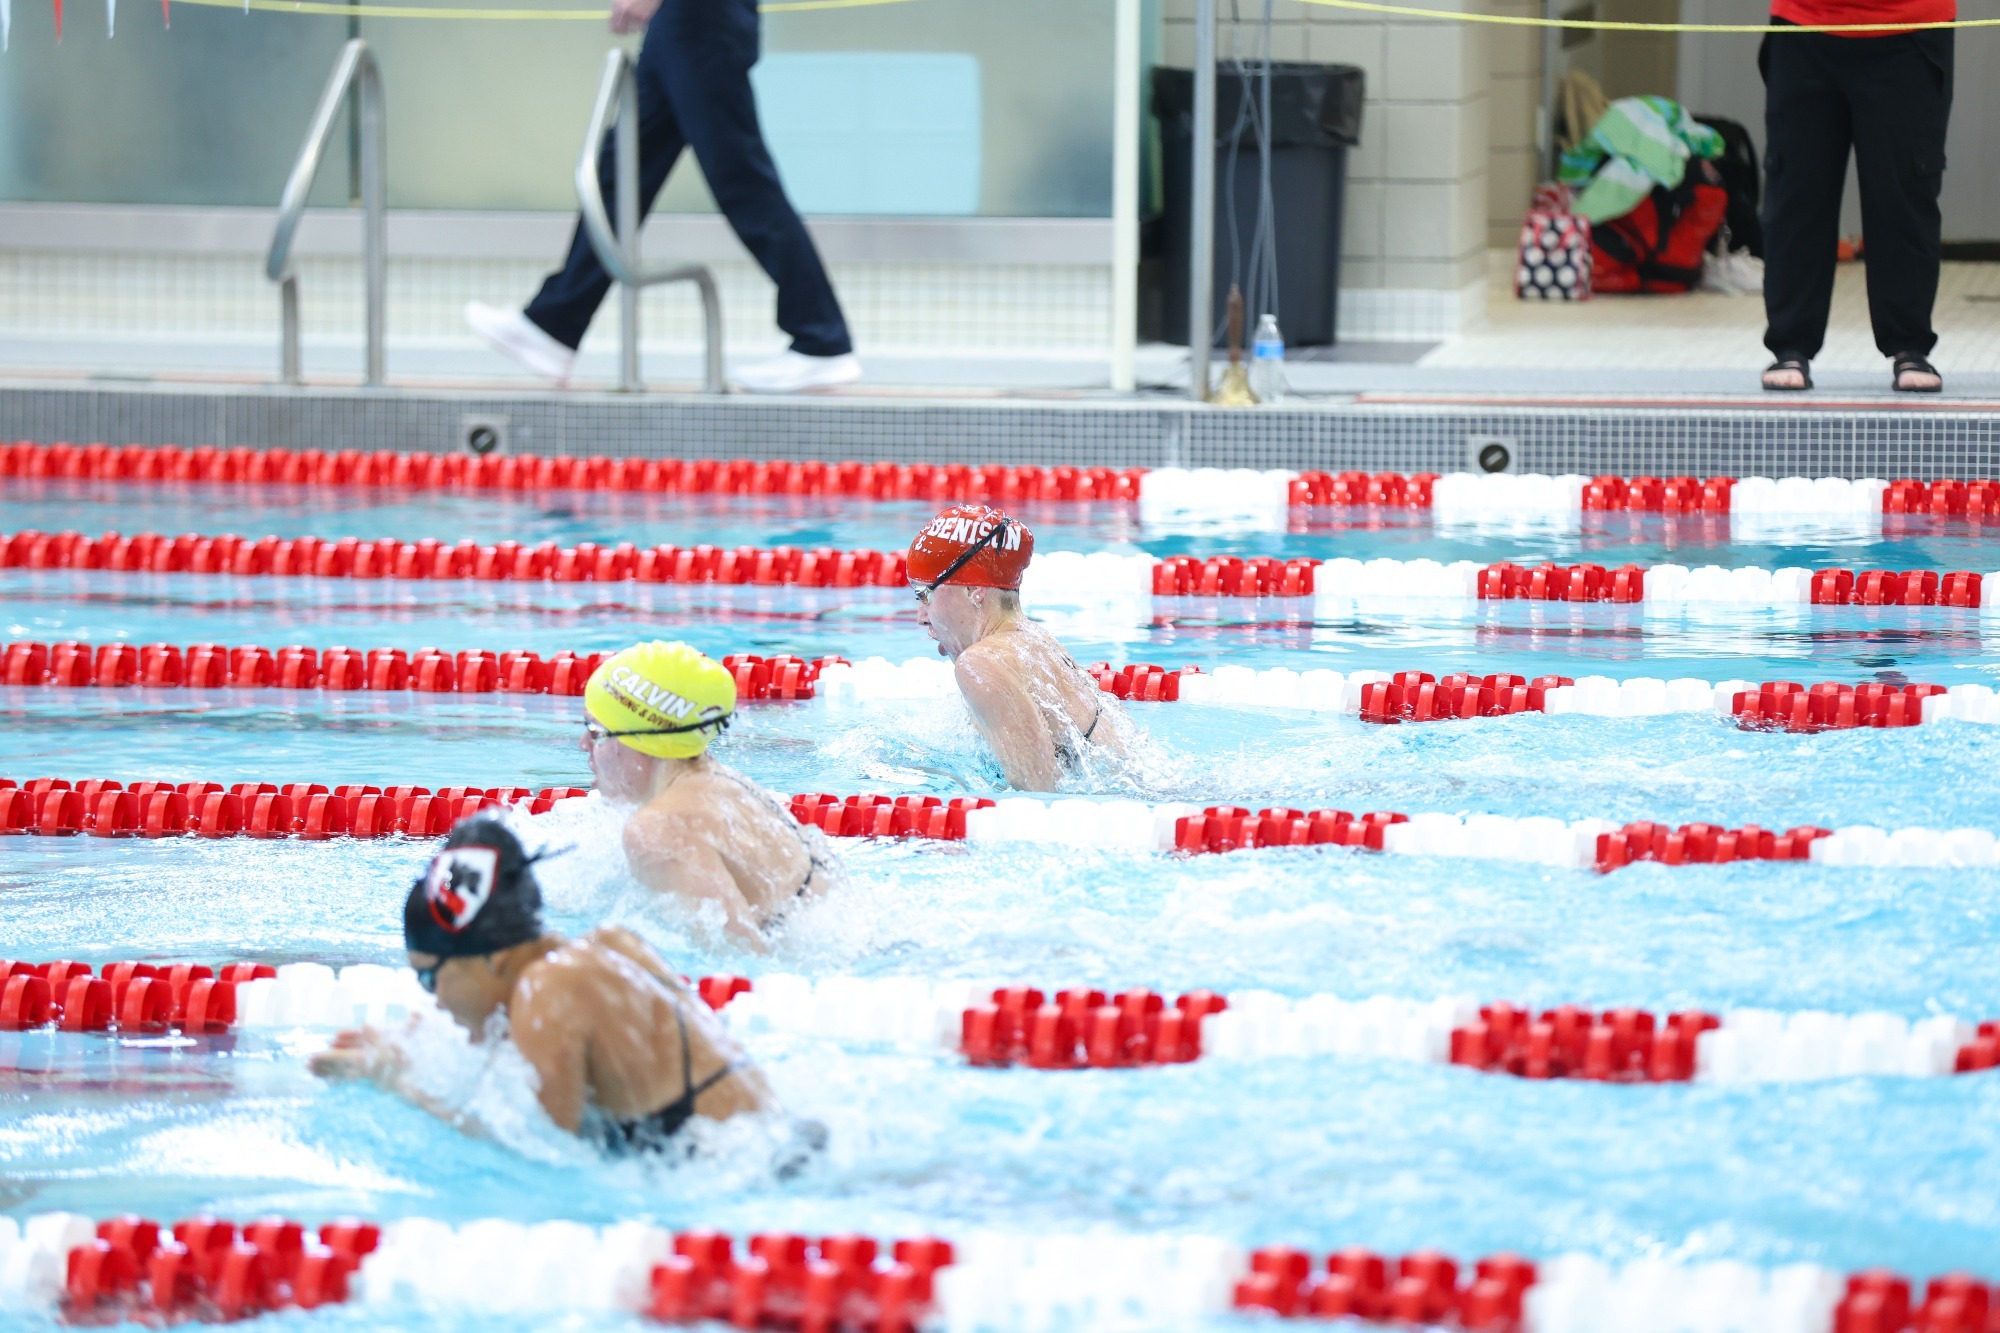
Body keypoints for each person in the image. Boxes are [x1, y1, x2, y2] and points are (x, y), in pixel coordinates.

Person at [310, 817, 775, 1157]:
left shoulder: (547, 990)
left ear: (491, 957)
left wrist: (399, 1082)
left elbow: (541, 1156)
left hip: (759, 1181)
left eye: (431, 977)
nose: (434, 998)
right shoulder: (603, 947)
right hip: (776, 1151)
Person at [464, 0, 859, 394]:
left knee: (741, 179)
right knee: (623, 172)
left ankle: (822, 339)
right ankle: (554, 325)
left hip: (700, 16)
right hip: (680, 21)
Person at [582, 641, 838, 948]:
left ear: (645, 740)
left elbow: (740, 954)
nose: (584, 743)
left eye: (596, 732)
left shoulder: (655, 830)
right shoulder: (732, 785)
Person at [1758, 0, 1953, 394]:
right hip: (1804, 25)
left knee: (1903, 195)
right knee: (1798, 191)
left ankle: (1909, 344)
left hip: (1909, 28)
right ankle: (1790, 343)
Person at [908, 504, 1132, 792]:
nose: (920, 616)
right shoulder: (1037, 642)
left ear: (974, 590)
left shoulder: (980, 664)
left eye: (924, 594)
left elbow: (1037, 797)